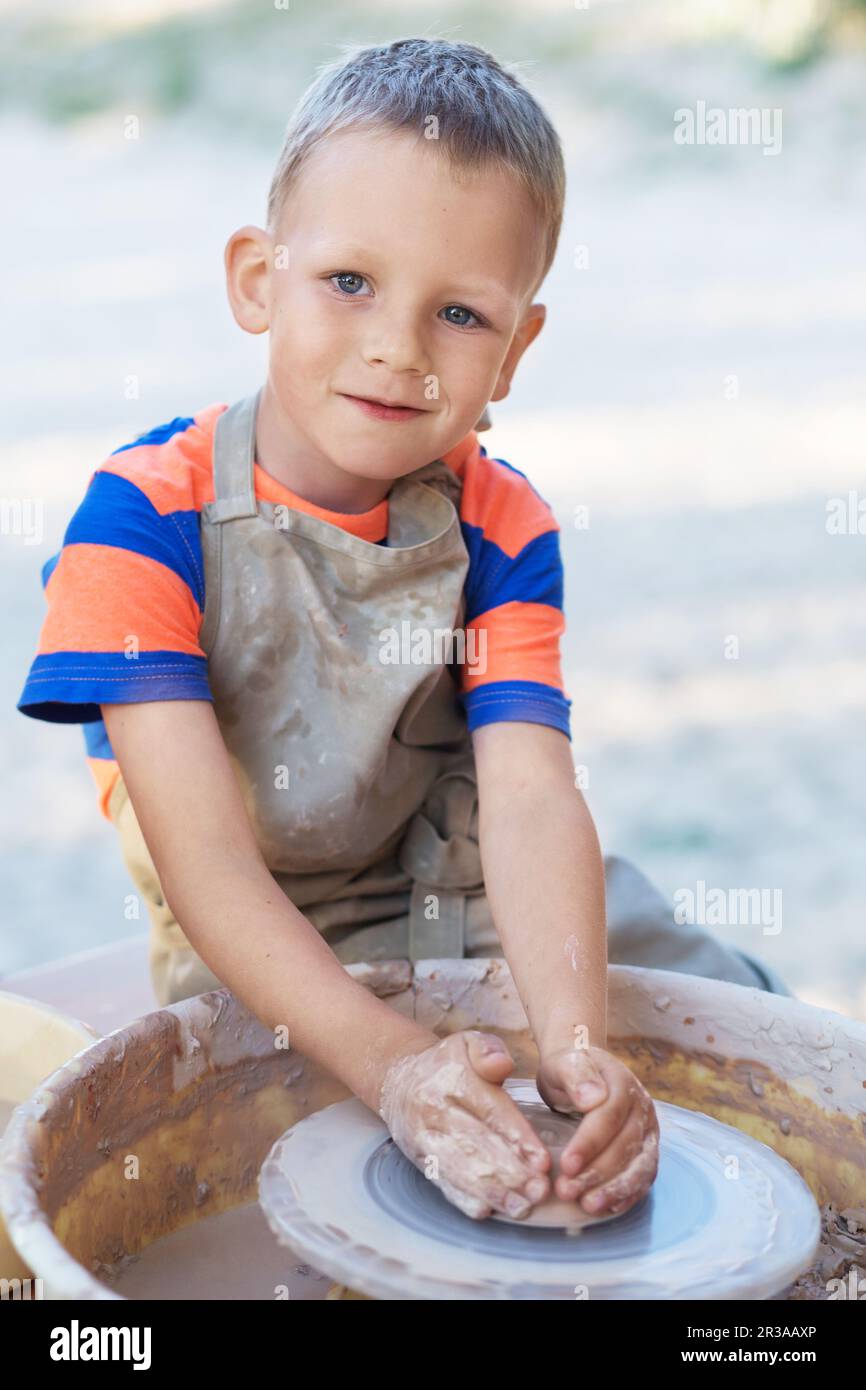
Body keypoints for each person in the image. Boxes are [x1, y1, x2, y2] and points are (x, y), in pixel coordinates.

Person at [17, 38, 789, 1228]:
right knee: (240, 1186)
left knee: (743, 1034)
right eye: (347, 284)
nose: (398, 348)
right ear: (255, 279)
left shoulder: (501, 523)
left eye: (460, 312)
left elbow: (531, 797)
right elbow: (207, 866)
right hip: (269, 938)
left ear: (517, 348)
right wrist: (388, 1063)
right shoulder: (141, 520)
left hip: (469, 885)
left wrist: (577, 1048)